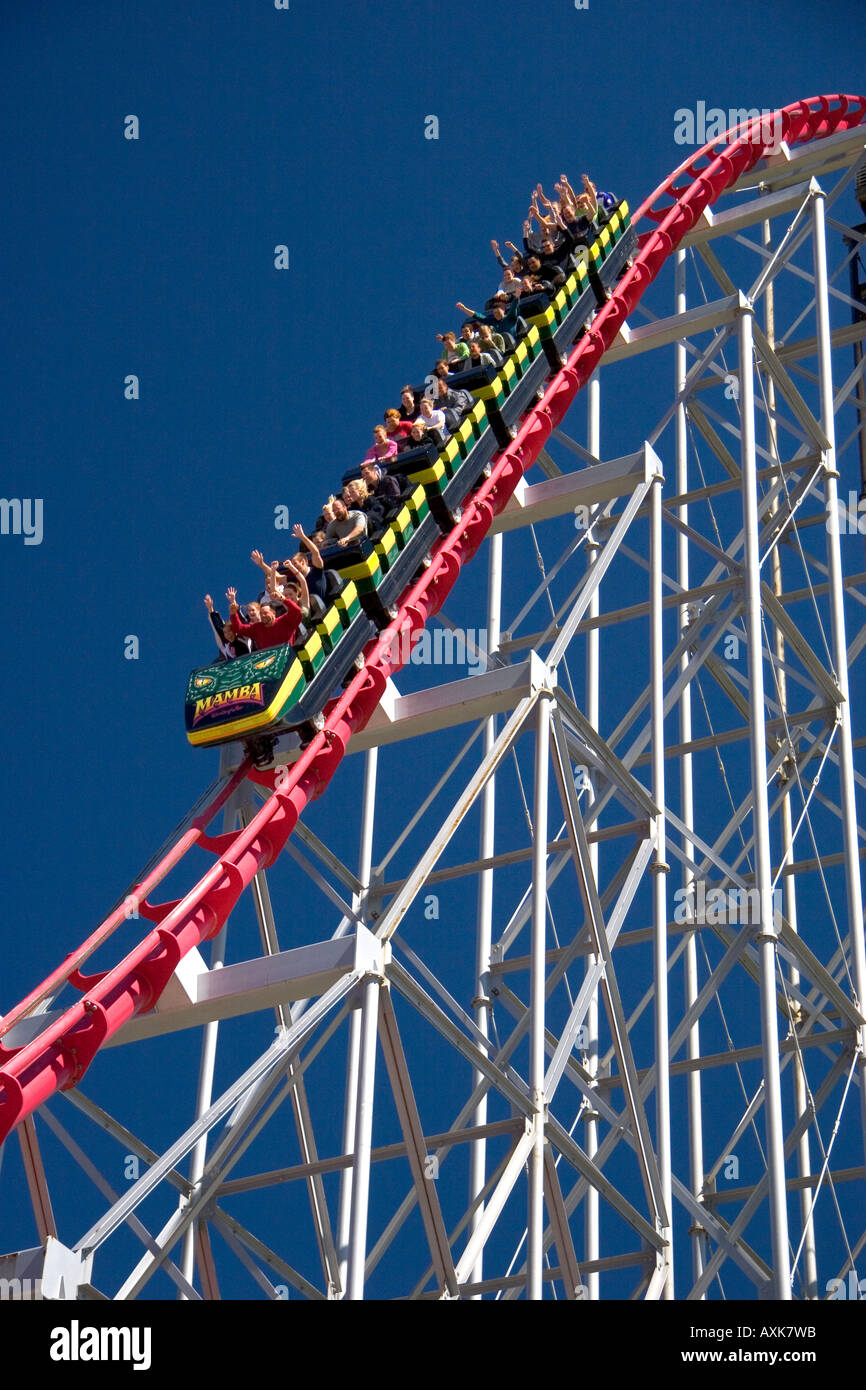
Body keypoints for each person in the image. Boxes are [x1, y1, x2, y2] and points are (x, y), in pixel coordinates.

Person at [203, 594, 253, 659]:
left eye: (230, 631)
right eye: (225, 633)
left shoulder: (243, 638)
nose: (228, 635)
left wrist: (233, 602)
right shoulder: (226, 647)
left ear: (235, 631)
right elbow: (217, 627)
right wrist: (210, 609)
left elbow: (241, 622)